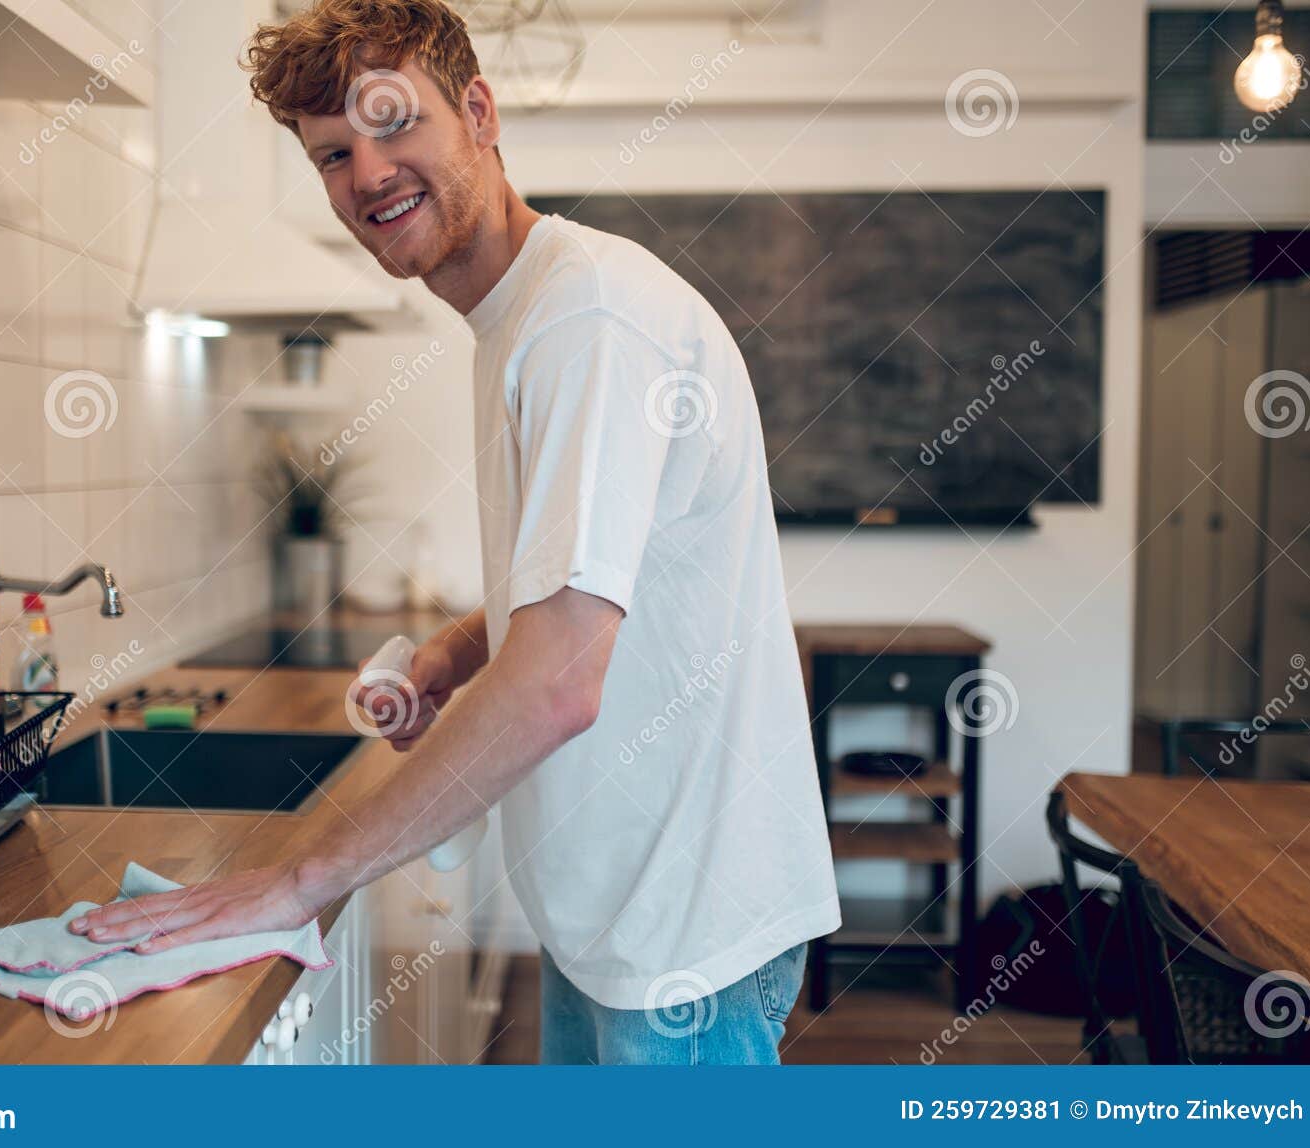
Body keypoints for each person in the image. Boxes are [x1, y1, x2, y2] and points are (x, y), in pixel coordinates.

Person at [69, 0, 838, 1066]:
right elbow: (596, 570)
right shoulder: (521, 316)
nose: (368, 173)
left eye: (393, 123)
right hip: (617, 917)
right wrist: (456, 651)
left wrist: (297, 881)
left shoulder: (587, 319)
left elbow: (559, 683)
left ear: (477, 112)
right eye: (332, 154)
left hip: (682, 937)